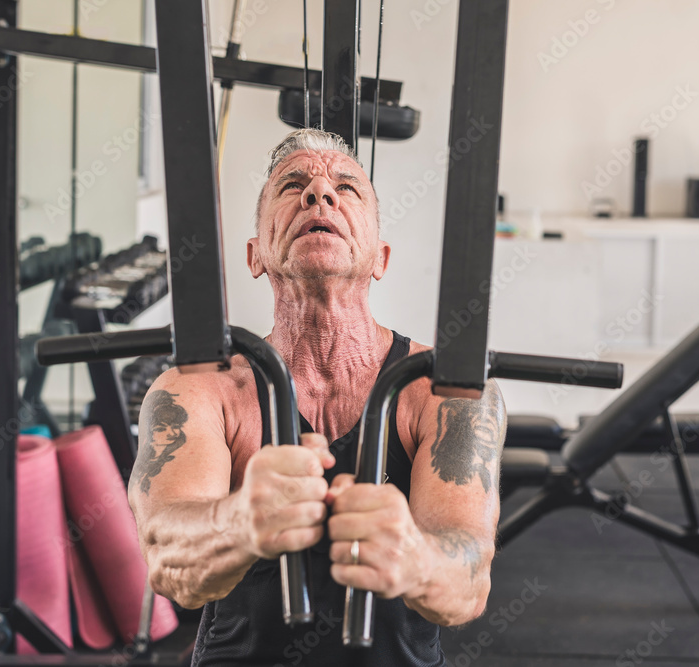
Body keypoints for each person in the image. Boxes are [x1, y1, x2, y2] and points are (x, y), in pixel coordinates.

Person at [128, 128, 507, 666]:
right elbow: (168, 561)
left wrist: (415, 559)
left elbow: (468, 583)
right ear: (255, 254)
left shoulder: (444, 391)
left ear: (381, 257)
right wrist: (241, 523)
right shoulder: (198, 389)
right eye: (292, 185)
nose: (319, 194)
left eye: (346, 187)